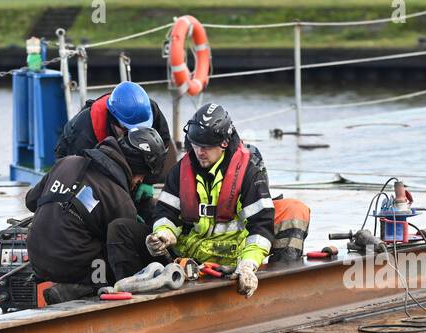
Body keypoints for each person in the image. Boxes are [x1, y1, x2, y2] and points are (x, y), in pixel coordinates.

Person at [143, 103, 309, 297]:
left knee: (294, 209)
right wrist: (164, 233)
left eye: (206, 147)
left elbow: (260, 226)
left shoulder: (249, 173)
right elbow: (166, 213)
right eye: (195, 145)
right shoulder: (180, 171)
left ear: (223, 143)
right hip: (191, 259)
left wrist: (249, 265)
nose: (199, 152)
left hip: (233, 258)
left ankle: (283, 286)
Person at [24, 127, 170, 304]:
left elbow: (31, 201)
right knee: (124, 258)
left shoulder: (66, 163)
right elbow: (122, 243)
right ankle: (81, 289)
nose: (140, 181)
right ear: (137, 168)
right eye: (142, 176)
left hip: (35, 257)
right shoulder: (120, 199)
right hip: (70, 267)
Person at [55, 81, 177, 200]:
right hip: (79, 162)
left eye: (141, 128)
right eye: (128, 130)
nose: (134, 135)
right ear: (114, 121)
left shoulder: (149, 111)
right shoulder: (85, 131)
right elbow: (81, 175)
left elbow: (161, 148)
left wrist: (149, 180)